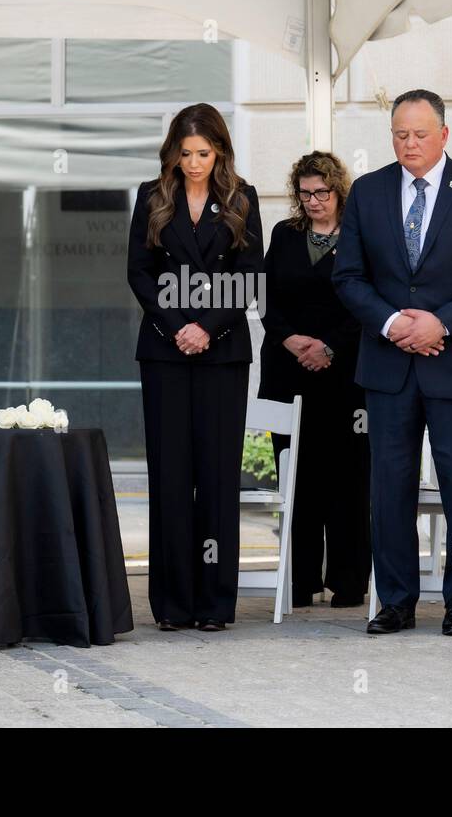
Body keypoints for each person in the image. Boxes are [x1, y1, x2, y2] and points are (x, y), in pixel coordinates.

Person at [332, 89, 452, 636]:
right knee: (389, 488)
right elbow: (348, 277)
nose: (408, 144)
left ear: (444, 134)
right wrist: (394, 325)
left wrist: (442, 323)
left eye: (419, 133)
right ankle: (395, 600)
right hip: (388, 368)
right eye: (399, 134)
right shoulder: (367, 193)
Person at [126, 103, 263, 632]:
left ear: (220, 151)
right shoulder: (152, 196)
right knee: (170, 474)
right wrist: (176, 326)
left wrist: (206, 326)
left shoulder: (242, 198)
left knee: (217, 474)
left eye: (203, 153)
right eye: (185, 154)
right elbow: (139, 273)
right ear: (173, 153)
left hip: (223, 352)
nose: (194, 163)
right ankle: (172, 604)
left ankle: (214, 604)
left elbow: (252, 276)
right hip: (163, 351)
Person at [258, 151, 370, 609]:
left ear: (338, 190)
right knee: (298, 479)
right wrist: (290, 341)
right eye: (304, 194)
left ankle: (347, 583)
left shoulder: (361, 236)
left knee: (348, 480)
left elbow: (365, 303)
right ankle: (301, 581)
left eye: (321, 192)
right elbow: (265, 297)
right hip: (289, 373)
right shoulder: (285, 235)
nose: (313, 201)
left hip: (345, 376)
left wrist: (328, 347)